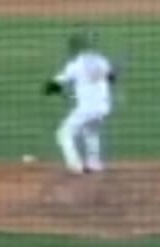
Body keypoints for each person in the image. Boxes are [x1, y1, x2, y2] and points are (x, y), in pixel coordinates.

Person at [44, 31, 117, 175]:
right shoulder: (101, 60)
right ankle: (94, 163)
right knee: (91, 131)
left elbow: (56, 83)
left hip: (87, 109)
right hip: (103, 108)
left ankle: (75, 165)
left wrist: (49, 87)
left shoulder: (75, 64)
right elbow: (111, 78)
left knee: (63, 134)